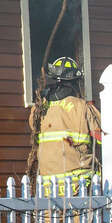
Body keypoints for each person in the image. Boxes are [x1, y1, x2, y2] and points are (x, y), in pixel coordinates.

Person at [34, 57, 102, 192]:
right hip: (79, 187)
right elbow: (104, 138)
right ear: (75, 82)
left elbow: (34, 130)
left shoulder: (39, 110)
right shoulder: (83, 107)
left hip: (48, 189)